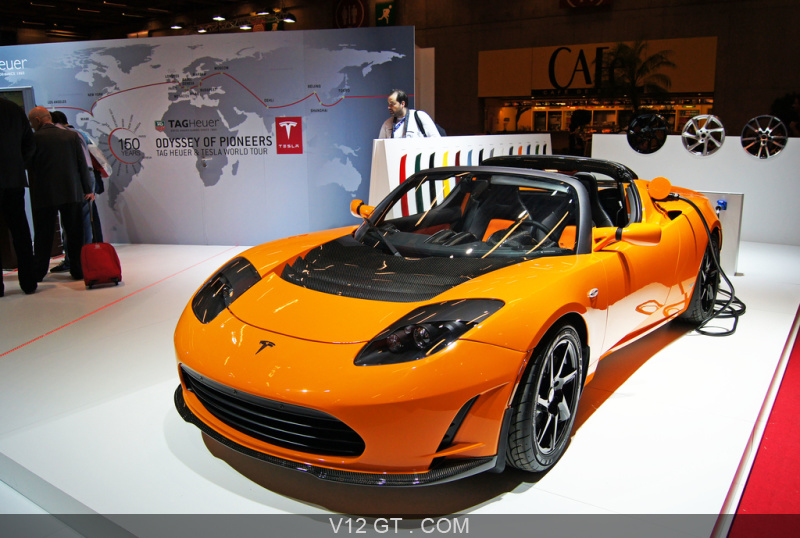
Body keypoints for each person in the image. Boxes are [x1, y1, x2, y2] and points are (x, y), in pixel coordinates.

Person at [27, 106, 95, 281]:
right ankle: (78, 270)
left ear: (37, 121)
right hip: (71, 191)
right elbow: (82, 166)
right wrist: (88, 189)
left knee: (43, 235)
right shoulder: (71, 136)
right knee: (75, 233)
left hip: (45, 194)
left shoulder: (34, 138)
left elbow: (29, 164)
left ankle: (39, 272)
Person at [48, 110, 102, 274]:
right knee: (82, 223)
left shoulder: (66, 136)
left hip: (78, 179)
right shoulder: (80, 134)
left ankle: (78, 261)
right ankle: (81, 260)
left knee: (76, 223)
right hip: (86, 177)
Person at [0, 97, 37, 297]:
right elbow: (30, 145)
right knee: (21, 232)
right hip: (14, 180)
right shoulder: (14, 109)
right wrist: (17, 165)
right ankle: (29, 282)